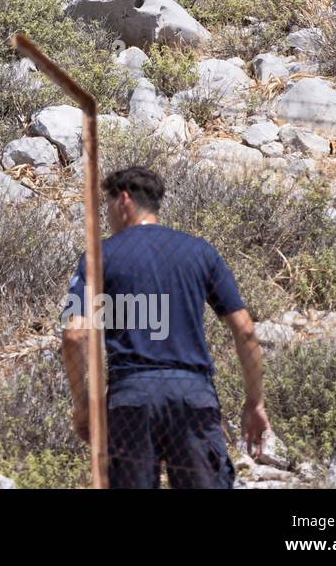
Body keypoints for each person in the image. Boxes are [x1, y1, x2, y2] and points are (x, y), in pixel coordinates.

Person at [60, 166, 269, 488]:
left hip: (131, 398)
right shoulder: (201, 252)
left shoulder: (99, 257)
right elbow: (245, 330)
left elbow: (74, 335)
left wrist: (83, 404)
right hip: (193, 395)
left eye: (108, 206)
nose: (108, 218)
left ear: (124, 201)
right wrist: (254, 402)